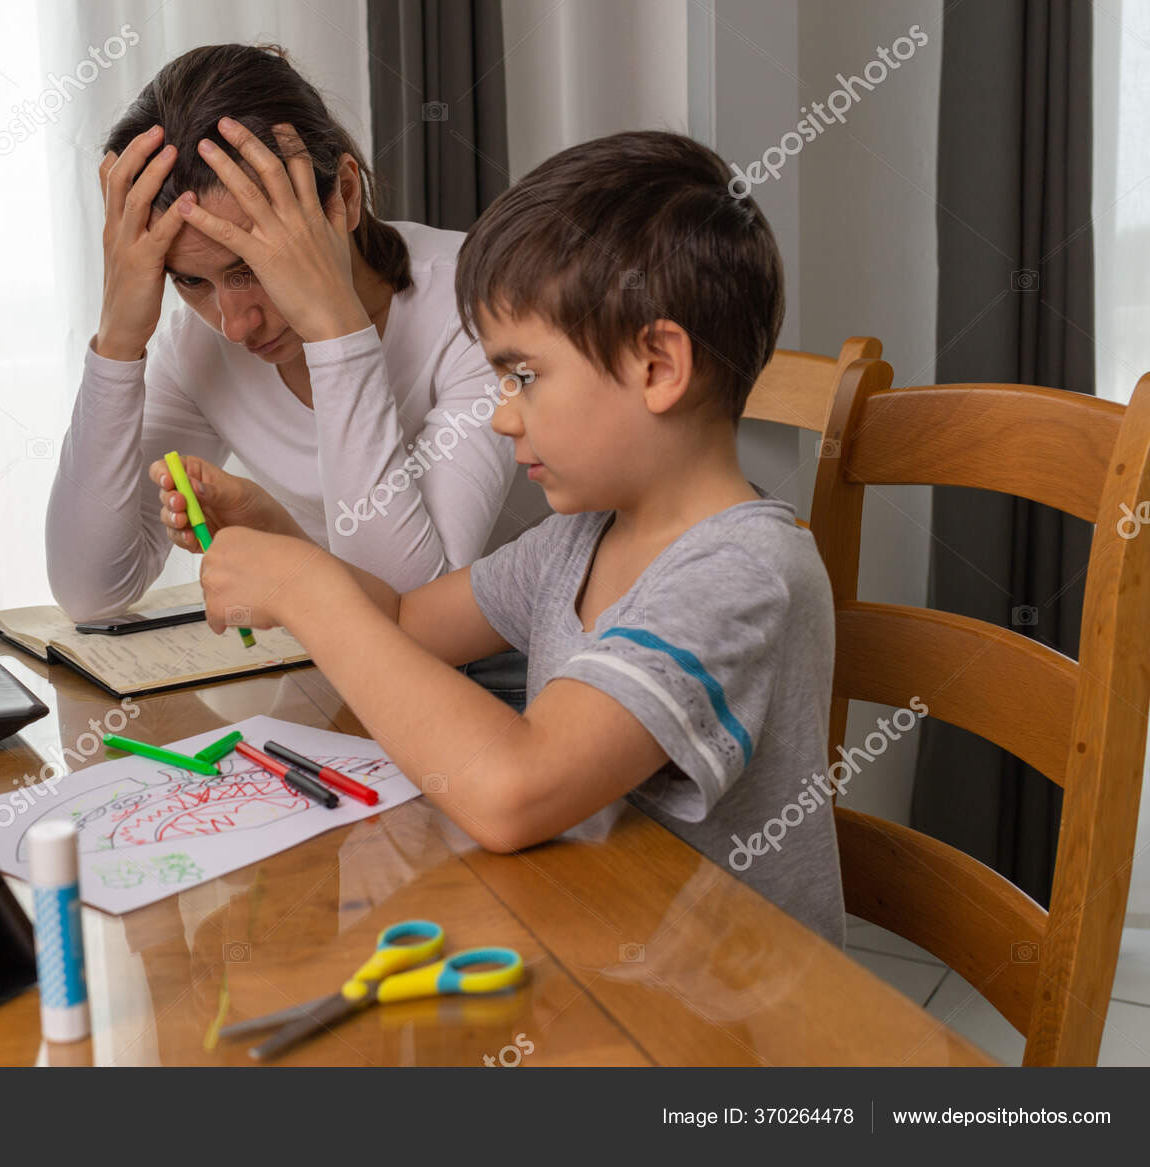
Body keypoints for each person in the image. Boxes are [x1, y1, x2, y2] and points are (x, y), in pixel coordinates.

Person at [193, 131, 843, 944]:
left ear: (658, 366)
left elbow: (514, 789)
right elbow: (401, 623)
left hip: (724, 1031)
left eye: (523, 375)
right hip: (593, 952)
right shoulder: (579, 538)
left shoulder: (742, 572)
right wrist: (283, 541)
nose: (502, 413)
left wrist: (304, 590)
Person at [45, 43, 545, 709]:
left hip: (532, 668)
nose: (235, 323)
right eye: (190, 281)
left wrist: (336, 332)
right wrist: (119, 340)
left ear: (343, 193)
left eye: (250, 267)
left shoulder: (475, 304)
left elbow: (417, 616)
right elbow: (90, 587)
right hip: (354, 678)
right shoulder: (202, 344)